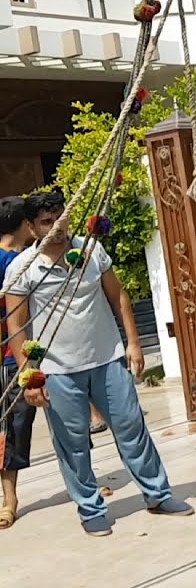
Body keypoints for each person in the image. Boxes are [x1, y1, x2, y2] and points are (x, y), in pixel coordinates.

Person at [6, 190, 193, 537]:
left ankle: (158, 494)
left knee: (132, 429)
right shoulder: (23, 268)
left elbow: (118, 296)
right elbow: (16, 324)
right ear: (31, 227)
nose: (57, 227)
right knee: (72, 445)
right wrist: (29, 379)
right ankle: (90, 508)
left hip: (107, 358)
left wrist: (133, 344)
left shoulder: (91, 249)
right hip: (57, 371)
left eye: (61, 218)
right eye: (47, 222)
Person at [0, 196, 34, 529]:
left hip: (46, 352)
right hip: (15, 356)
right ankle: (9, 498)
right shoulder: (15, 263)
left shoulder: (31, 259)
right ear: (26, 224)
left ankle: (84, 483)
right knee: (12, 427)